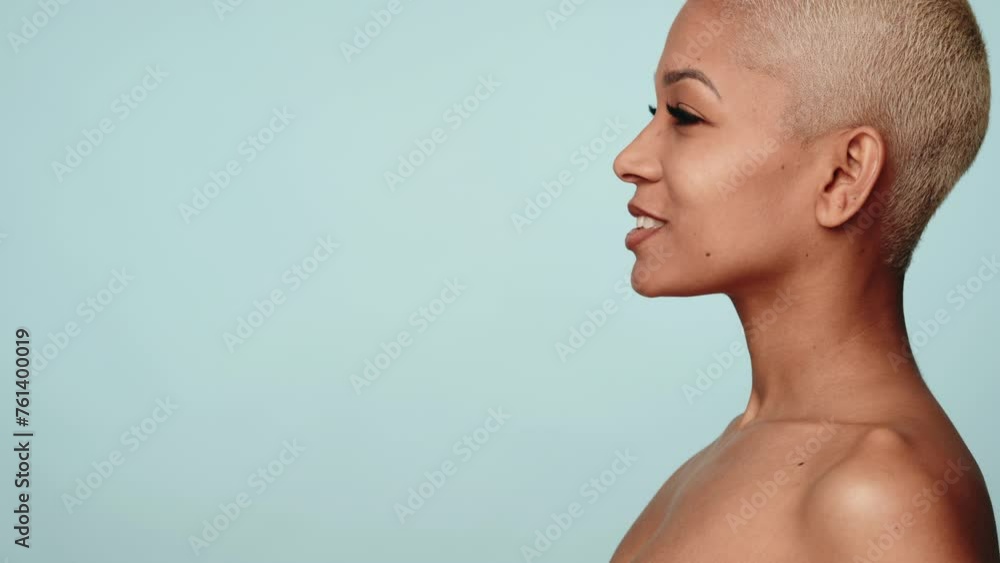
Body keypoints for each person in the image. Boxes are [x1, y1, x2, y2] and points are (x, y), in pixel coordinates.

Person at [611, 0, 998, 561]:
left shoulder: (879, 493)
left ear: (843, 175)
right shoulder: (731, 452)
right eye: (655, 111)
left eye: (685, 116)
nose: (629, 159)